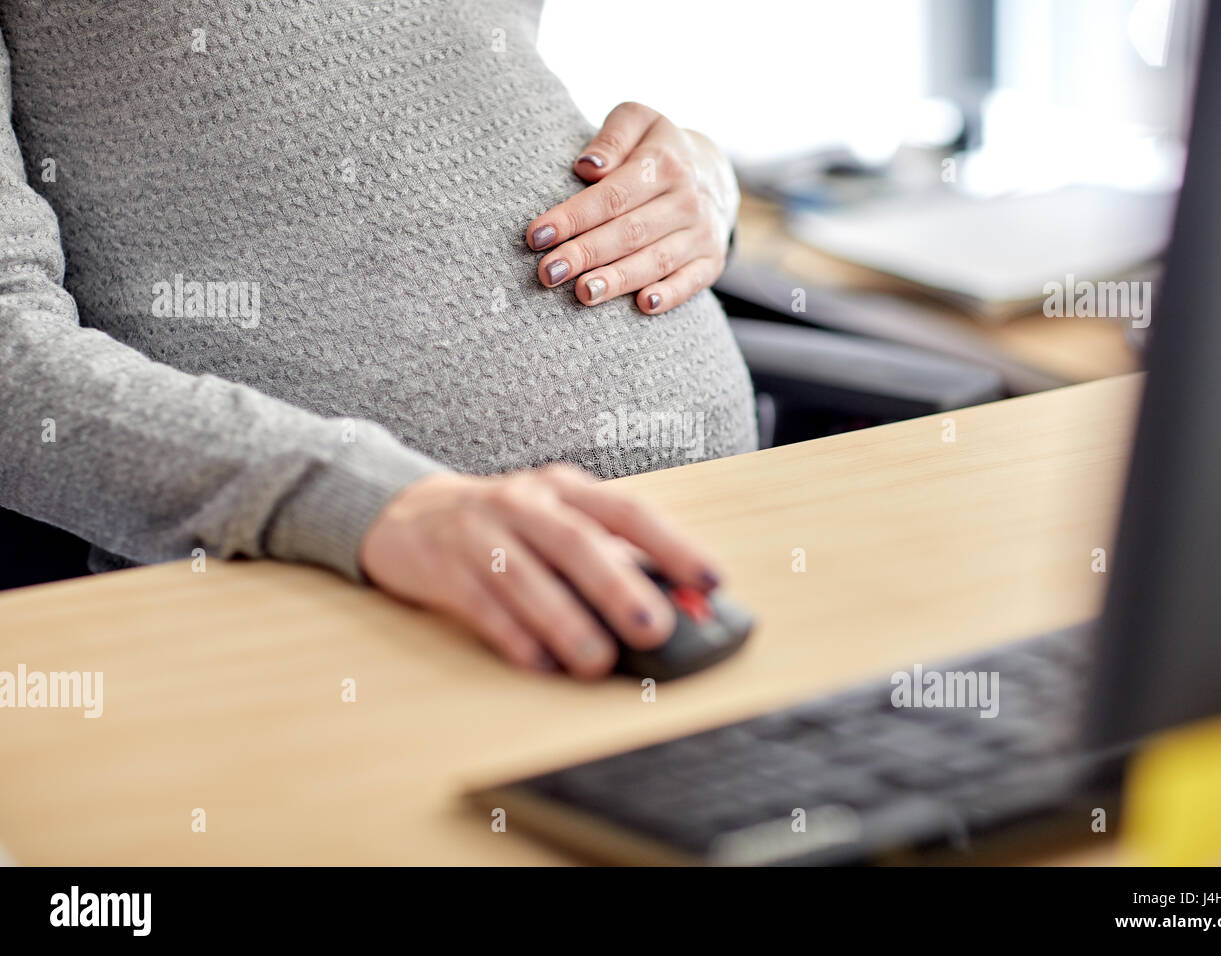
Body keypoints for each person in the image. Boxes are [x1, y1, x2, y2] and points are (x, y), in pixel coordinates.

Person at [0, 1, 757, 678]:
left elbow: (442, 111)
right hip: (379, 613)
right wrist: (367, 504)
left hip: (742, 533)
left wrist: (706, 181)